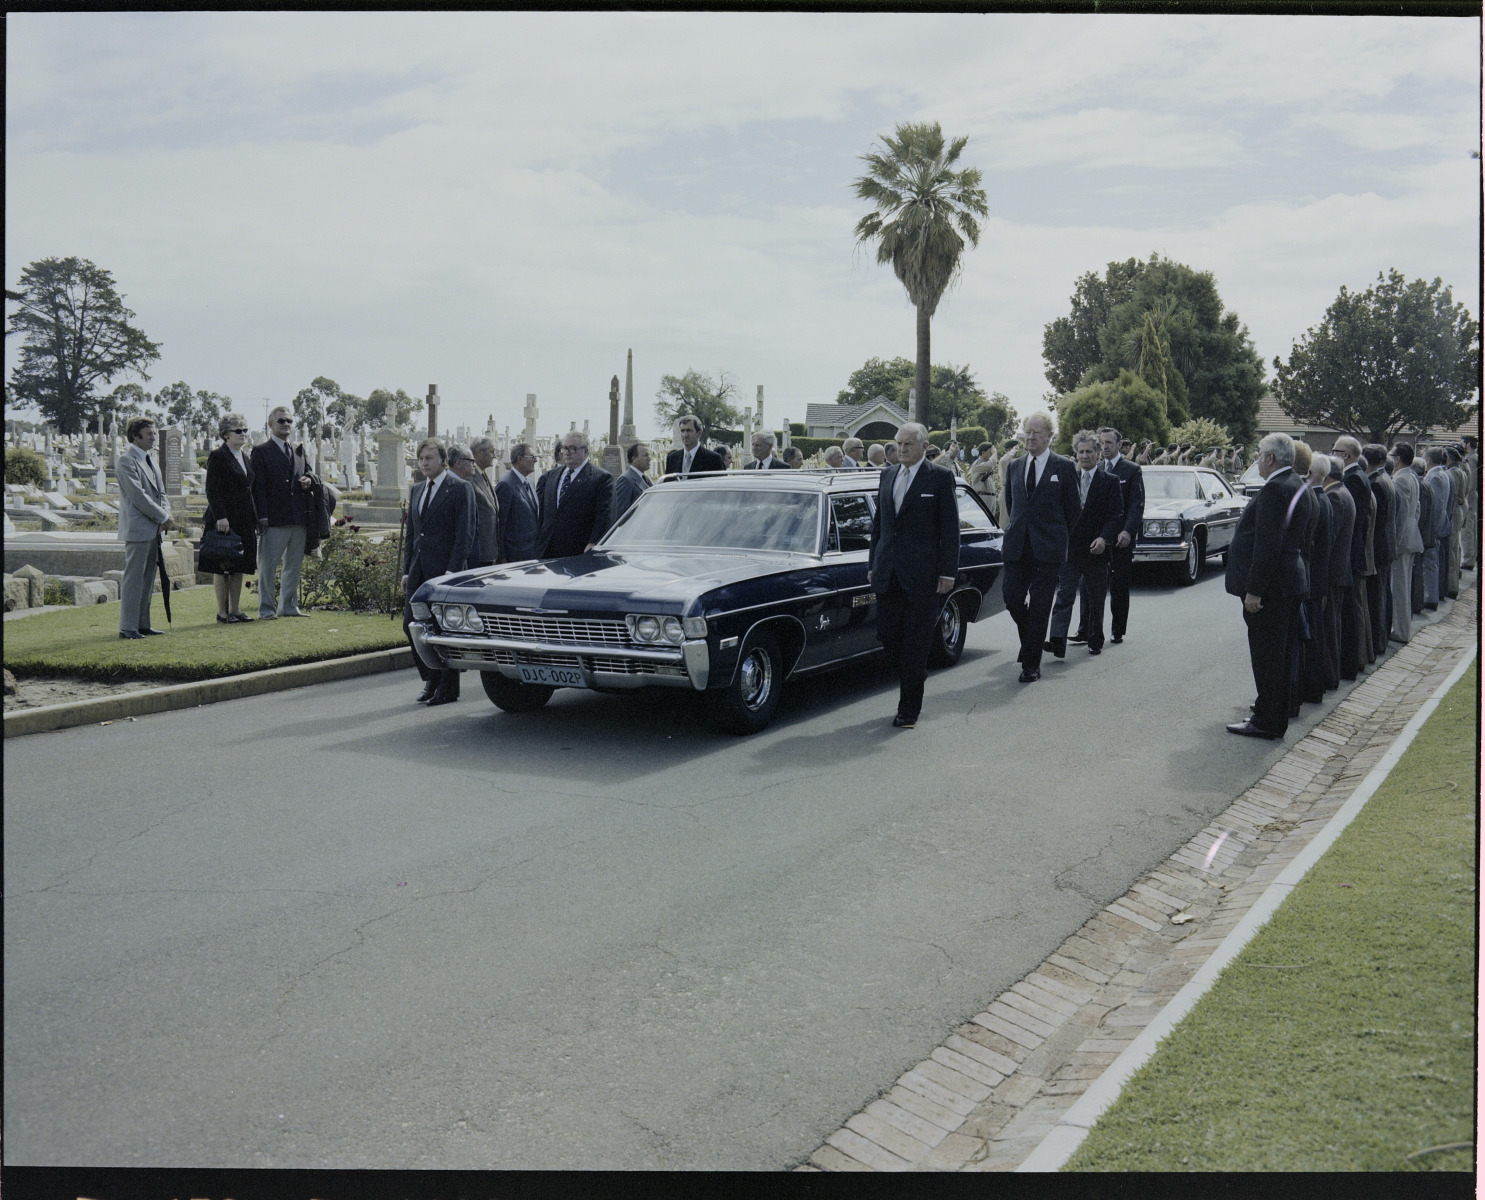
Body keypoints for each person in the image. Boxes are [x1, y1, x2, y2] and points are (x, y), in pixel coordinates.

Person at [866, 422, 958, 728]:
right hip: (888, 571)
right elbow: (880, 525)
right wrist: (872, 564)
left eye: (908, 444)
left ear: (923, 446)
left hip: (924, 575)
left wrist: (947, 572)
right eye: (898, 444)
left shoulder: (941, 477)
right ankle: (915, 674)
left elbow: (949, 529)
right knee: (888, 635)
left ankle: (908, 710)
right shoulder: (887, 474)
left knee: (917, 643)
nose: (901, 449)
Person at [1224, 433, 1309, 739]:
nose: (1257, 460)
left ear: (1271, 458)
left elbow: (1267, 546)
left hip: (1271, 588)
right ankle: (1274, 711)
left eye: (1259, 454)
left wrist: (1254, 590)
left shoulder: (1275, 489)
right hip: (1289, 581)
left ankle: (1266, 720)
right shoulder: (1296, 484)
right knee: (1281, 656)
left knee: (1268, 657)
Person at [1000, 413, 1080, 682]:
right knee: (1011, 598)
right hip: (1017, 546)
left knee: (1040, 606)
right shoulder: (1014, 467)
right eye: (1027, 432)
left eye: (1036, 432)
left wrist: (1059, 540)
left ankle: (1031, 665)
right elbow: (1013, 506)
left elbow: (1073, 511)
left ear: (1049, 436)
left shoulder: (1064, 467)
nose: (1030, 437)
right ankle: (1031, 642)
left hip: (1048, 549)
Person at [402, 438, 475, 706]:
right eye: (421, 458)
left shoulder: (460, 488)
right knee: (410, 625)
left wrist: (451, 573)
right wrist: (406, 571)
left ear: (442, 461)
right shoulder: (417, 490)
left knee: (443, 630)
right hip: (419, 572)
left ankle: (447, 688)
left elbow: (464, 534)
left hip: (445, 573)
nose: (424, 463)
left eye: (429, 458)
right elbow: (412, 535)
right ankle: (431, 679)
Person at [1045, 431, 1123, 658]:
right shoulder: (1067, 478)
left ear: (1098, 454)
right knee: (1065, 594)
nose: (1085, 456)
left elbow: (1116, 514)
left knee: (1096, 597)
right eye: (1081, 452)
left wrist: (1104, 538)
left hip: (1096, 549)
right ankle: (1057, 639)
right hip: (1071, 549)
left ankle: (1095, 639)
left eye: (1089, 451)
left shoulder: (1110, 481)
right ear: (1075, 454)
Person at [250, 405, 316, 619]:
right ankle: (267, 609)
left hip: (298, 517)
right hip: (274, 520)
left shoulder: (298, 449)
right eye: (281, 421)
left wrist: (309, 479)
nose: (286, 424)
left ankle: (288, 607)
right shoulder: (260, 451)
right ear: (270, 424)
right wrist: (262, 516)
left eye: (289, 421)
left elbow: (308, 472)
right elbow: (257, 487)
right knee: (268, 568)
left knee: (293, 567)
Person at [114, 416, 173, 639]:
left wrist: (166, 513)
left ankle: (143, 624)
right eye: (149, 434)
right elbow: (138, 496)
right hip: (139, 530)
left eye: (155, 433)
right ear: (135, 436)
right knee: (133, 579)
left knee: (148, 579)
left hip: (154, 529)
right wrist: (162, 516)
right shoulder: (126, 461)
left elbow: (161, 493)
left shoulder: (150, 459)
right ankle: (127, 627)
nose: (154, 437)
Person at [202, 411, 258, 623]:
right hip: (224, 520)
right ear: (226, 434)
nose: (243, 434)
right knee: (223, 566)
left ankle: (235, 609)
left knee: (239, 566)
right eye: (238, 431)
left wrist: (256, 519)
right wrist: (221, 517)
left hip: (244, 519)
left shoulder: (244, 457)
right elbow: (212, 490)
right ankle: (222, 612)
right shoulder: (218, 456)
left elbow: (248, 490)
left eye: (245, 430)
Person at [1097, 426, 1144, 645]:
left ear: (1118, 445)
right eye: (1102, 442)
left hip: (1121, 538)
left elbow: (1136, 504)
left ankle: (1117, 629)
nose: (1104, 446)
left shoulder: (1131, 470)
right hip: (1099, 537)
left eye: (1109, 442)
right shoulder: (1096, 468)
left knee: (1119, 585)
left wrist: (1128, 530)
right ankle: (1088, 630)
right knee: (1094, 585)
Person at [1333, 436, 1375, 671]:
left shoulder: (1353, 479)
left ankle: (1353, 660)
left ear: (1344, 455)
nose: (1331, 453)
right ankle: (1358, 657)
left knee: (1353, 610)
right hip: (1355, 552)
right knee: (1355, 607)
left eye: (1334, 450)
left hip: (1352, 553)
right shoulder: (1357, 476)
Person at [537, 432, 613, 558]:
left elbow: (604, 515)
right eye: (564, 448)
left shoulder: (601, 478)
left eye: (572, 448)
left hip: (578, 551)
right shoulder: (550, 476)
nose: (566, 452)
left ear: (586, 451)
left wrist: (593, 542)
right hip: (547, 550)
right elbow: (543, 514)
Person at [1298, 452, 1336, 700]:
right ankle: (1314, 686)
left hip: (1313, 578)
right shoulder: (1324, 500)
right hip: (1320, 576)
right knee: (1315, 633)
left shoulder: (1317, 502)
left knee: (1310, 636)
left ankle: (1311, 688)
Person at [1322, 457, 1357, 682]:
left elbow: (1329, 539)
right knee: (1333, 624)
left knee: (1330, 627)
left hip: (1333, 571)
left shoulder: (1334, 495)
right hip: (1341, 568)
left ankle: (1331, 676)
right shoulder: (1344, 492)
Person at [1387, 443, 1423, 644]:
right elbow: (1416, 509)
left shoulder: (1400, 479)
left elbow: (1400, 515)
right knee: (1403, 586)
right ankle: (1402, 628)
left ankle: (1400, 631)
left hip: (1403, 541)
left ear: (1398, 459)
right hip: (1412, 536)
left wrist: (1396, 541)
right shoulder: (1412, 476)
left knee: (1399, 588)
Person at [1362, 445, 1395, 658]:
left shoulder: (1375, 483)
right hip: (1387, 545)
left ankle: (1377, 642)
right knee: (1381, 596)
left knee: (1375, 599)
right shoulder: (1386, 479)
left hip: (1378, 548)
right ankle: (1381, 640)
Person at [447, 442, 500, 567]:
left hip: (479, 553)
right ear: (459, 463)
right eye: (471, 461)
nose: (474, 465)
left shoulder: (471, 481)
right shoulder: (458, 485)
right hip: (465, 556)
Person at [495, 442, 540, 562]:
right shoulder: (506, 485)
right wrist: (502, 556)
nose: (535, 460)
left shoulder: (530, 482)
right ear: (519, 459)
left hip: (532, 553)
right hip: (514, 556)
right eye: (532, 457)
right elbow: (500, 525)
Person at [1422, 447, 1452, 609]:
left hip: (1434, 528)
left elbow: (1436, 506)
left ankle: (1430, 597)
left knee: (1430, 564)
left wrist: (1431, 529)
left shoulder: (1434, 477)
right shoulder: (1442, 474)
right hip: (1438, 526)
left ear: (1428, 460)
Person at [613, 441, 652, 519]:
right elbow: (621, 513)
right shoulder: (625, 480)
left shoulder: (646, 478)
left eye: (649, 455)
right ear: (634, 458)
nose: (649, 458)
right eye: (645, 455)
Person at [996, 438, 1022, 528]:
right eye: (1015, 448)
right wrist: (1012, 451)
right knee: (1005, 522)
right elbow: (1004, 460)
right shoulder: (1005, 460)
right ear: (1009, 449)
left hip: (1016, 493)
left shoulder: (1016, 461)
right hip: (1006, 492)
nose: (1017, 451)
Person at [967, 442, 998, 511]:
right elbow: (988, 466)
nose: (991, 454)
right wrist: (995, 454)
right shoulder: (977, 463)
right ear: (983, 452)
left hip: (991, 497)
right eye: (990, 452)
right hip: (983, 497)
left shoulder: (987, 463)